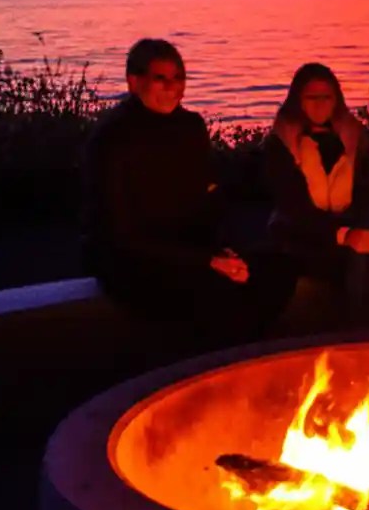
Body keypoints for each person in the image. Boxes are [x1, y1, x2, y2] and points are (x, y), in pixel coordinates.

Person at [81, 38, 295, 349]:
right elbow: (120, 234)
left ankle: (243, 355)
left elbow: (209, 199)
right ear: (133, 81)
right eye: (161, 78)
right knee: (213, 293)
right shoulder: (112, 139)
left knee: (280, 266)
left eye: (179, 78)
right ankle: (207, 366)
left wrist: (222, 248)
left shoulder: (190, 127)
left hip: (190, 247)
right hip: (130, 259)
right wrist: (206, 260)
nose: (172, 87)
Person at [262, 63, 369, 331]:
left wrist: (361, 231)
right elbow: (293, 208)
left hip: (347, 227)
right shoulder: (280, 143)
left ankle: (367, 340)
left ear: (337, 99)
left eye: (326, 97)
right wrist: (343, 235)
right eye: (311, 97)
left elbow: (367, 194)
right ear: (297, 100)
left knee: (364, 264)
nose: (319, 104)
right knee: (341, 266)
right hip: (296, 234)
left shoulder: (357, 140)